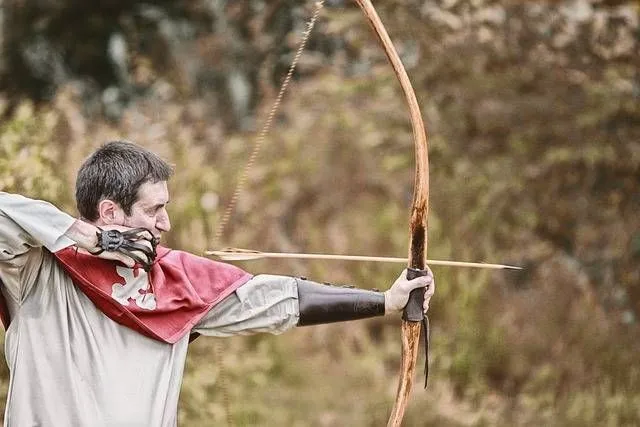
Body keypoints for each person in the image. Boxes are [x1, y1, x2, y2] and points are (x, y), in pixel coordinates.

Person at [0, 140, 435, 426]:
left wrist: (387, 301)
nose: (165, 223)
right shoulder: (38, 271)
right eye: (154, 211)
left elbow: (272, 301)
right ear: (111, 212)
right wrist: (95, 240)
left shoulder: (175, 280)